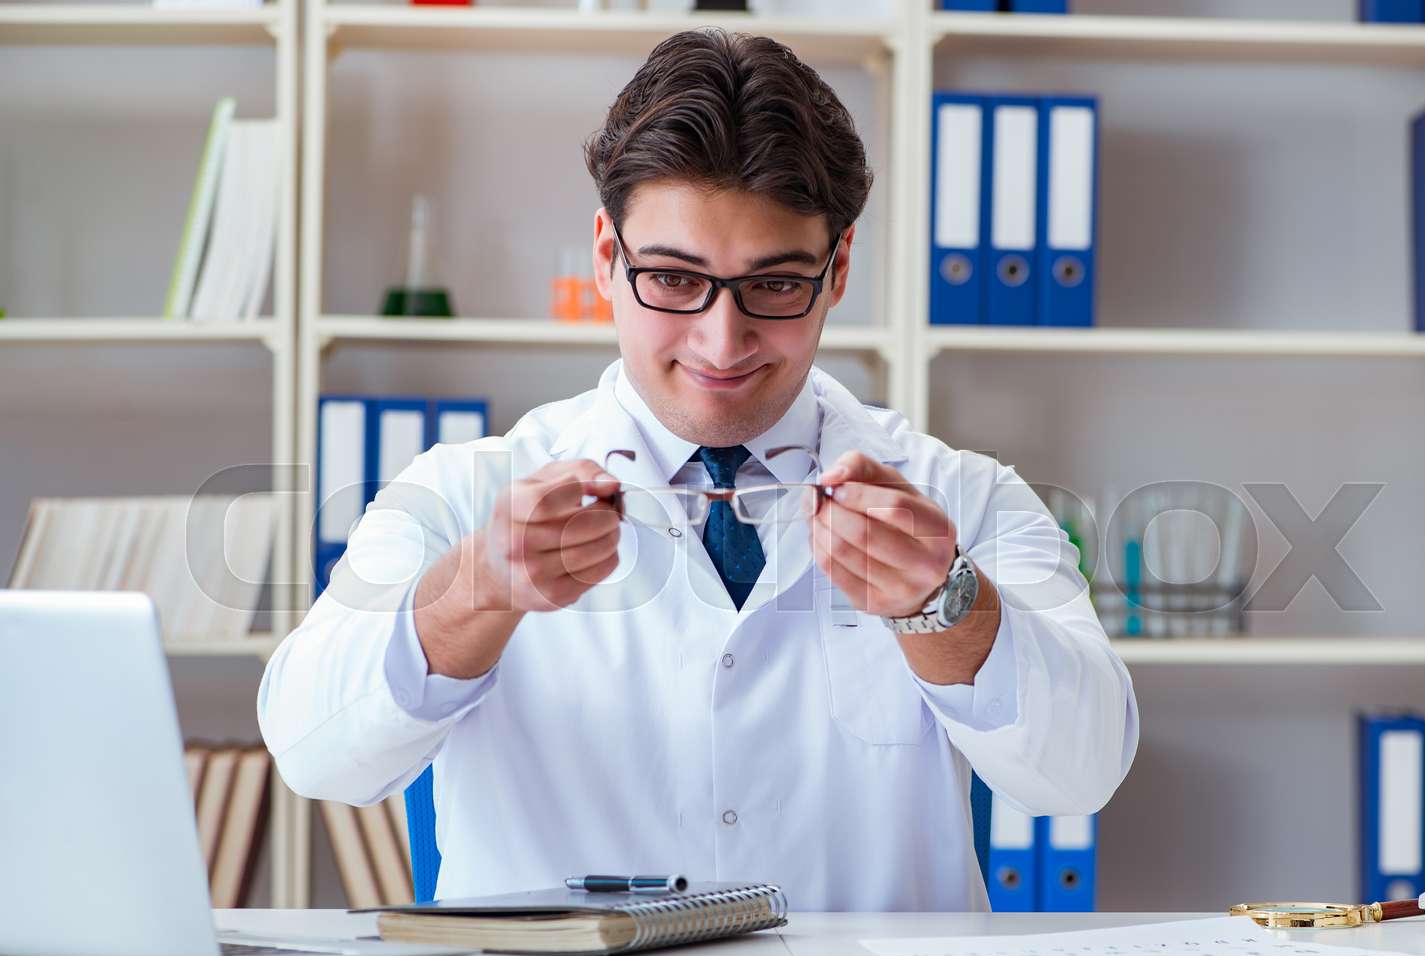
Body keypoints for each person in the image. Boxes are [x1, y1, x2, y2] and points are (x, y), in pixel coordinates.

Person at [258, 29, 1137, 911]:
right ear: (607, 256)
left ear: (838, 271)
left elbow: (1084, 773)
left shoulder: (964, 497)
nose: (723, 340)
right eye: (675, 281)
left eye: (776, 285)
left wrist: (946, 603)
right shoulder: (456, 496)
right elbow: (313, 754)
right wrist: (473, 596)